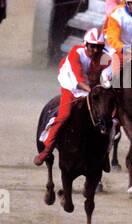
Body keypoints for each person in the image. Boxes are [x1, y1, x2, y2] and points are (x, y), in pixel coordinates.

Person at [34, 28, 111, 165]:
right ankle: (47, 149)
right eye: (92, 47)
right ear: (86, 44)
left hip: (92, 87)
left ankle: (104, 153)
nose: (95, 51)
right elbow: (79, 80)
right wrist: (93, 91)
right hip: (72, 85)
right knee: (65, 114)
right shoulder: (76, 53)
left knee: (108, 117)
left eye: (99, 48)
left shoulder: (106, 57)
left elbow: (107, 77)